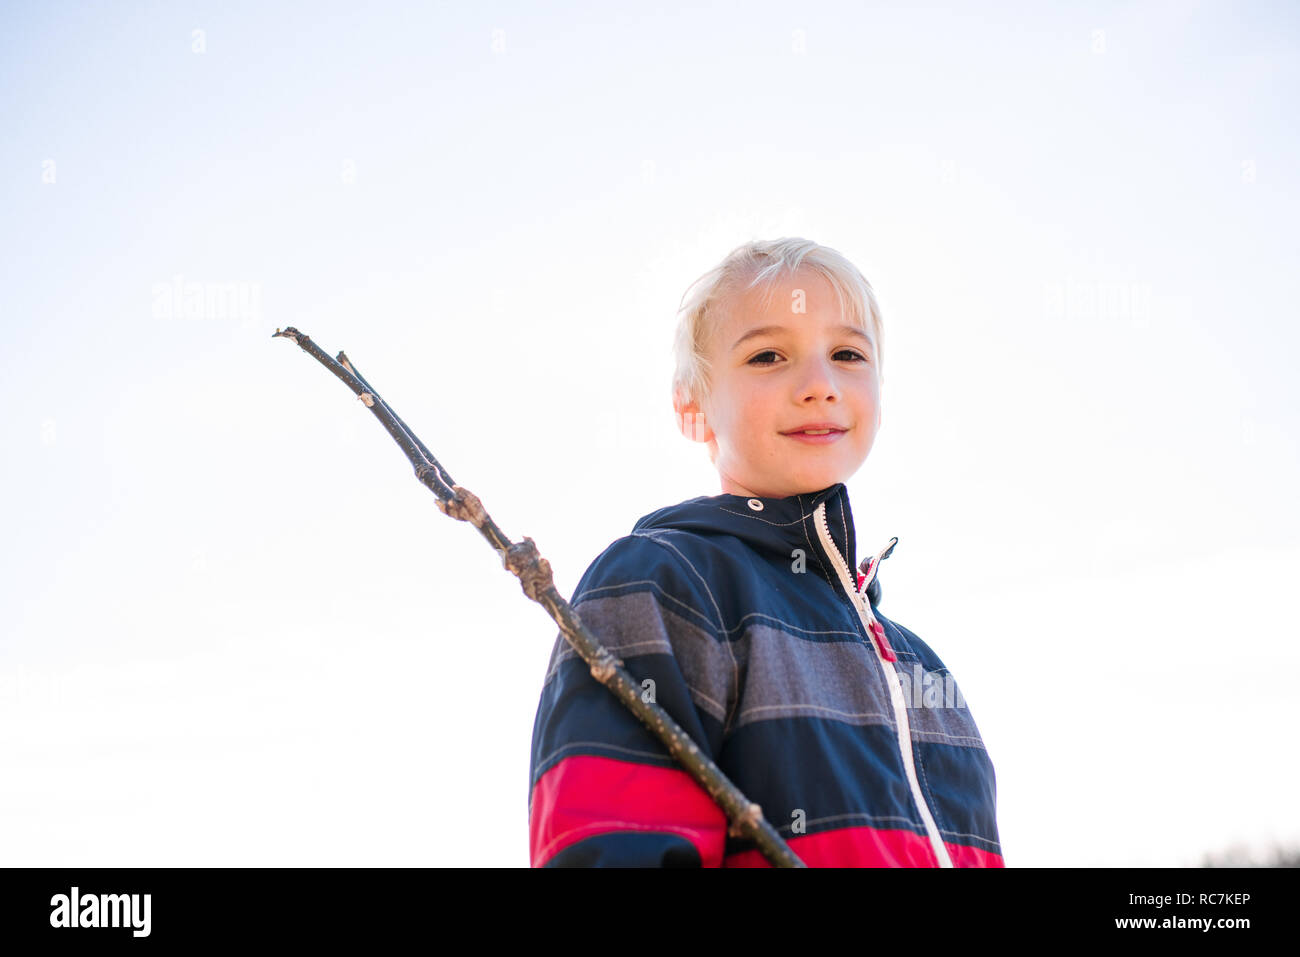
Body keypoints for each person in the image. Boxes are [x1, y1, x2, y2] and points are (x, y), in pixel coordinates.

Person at [527, 237, 1003, 867]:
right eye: (769, 355)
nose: (818, 384)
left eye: (847, 354)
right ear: (692, 407)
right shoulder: (662, 584)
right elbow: (612, 843)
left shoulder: (924, 672)